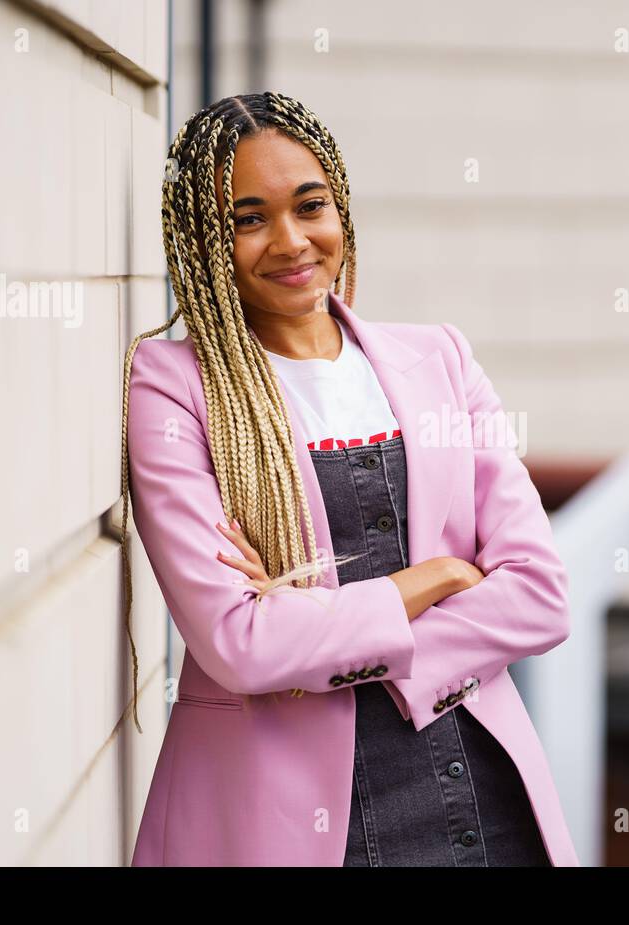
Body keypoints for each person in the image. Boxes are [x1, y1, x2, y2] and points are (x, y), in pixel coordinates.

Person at [119, 91, 578, 866]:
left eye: (310, 206)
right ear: (205, 241)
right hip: (286, 818)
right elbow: (240, 643)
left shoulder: (440, 358)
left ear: (342, 211)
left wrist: (329, 632)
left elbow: (539, 594)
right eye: (248, 219)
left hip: (483, 802)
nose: (291, 241)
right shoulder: (171, 386)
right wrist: (427, 579)